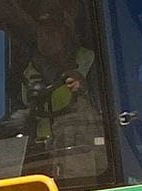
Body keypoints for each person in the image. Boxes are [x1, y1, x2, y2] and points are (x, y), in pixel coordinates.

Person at [20, 9, 97, 147]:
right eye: (41, 33)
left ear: (66, 34)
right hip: (41, 151)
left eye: (52, 32)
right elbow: (20, 117)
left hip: (82, 145)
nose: (46, 38)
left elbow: (109, 110)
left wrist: (85, 90)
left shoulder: (91, 61)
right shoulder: (27, 73)